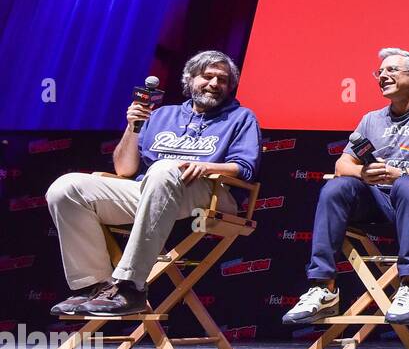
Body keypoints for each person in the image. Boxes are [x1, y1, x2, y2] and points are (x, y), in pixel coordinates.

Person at [47, 50, 262, 317]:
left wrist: (206, 166)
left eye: (223, 80)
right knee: (66, 187)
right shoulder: (162, 115)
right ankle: (93, 286)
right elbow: (124, 169)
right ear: (190, 79)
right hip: (153, 189)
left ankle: (131, 286)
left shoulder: (241, 117)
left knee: (164, 168)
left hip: (209, 192)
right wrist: (133, 126)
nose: (215, 84)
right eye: (207, 77)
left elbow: (245, 167)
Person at [282, 47, 409, 327]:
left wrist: (400, 172)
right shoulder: (370, 120)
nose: (382, 76)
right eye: (380, 72)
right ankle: (323, 288)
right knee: (336, 188)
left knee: (407, 185)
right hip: (376, 203)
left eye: (391, 70)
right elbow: (342, 165)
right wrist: (363, 173)